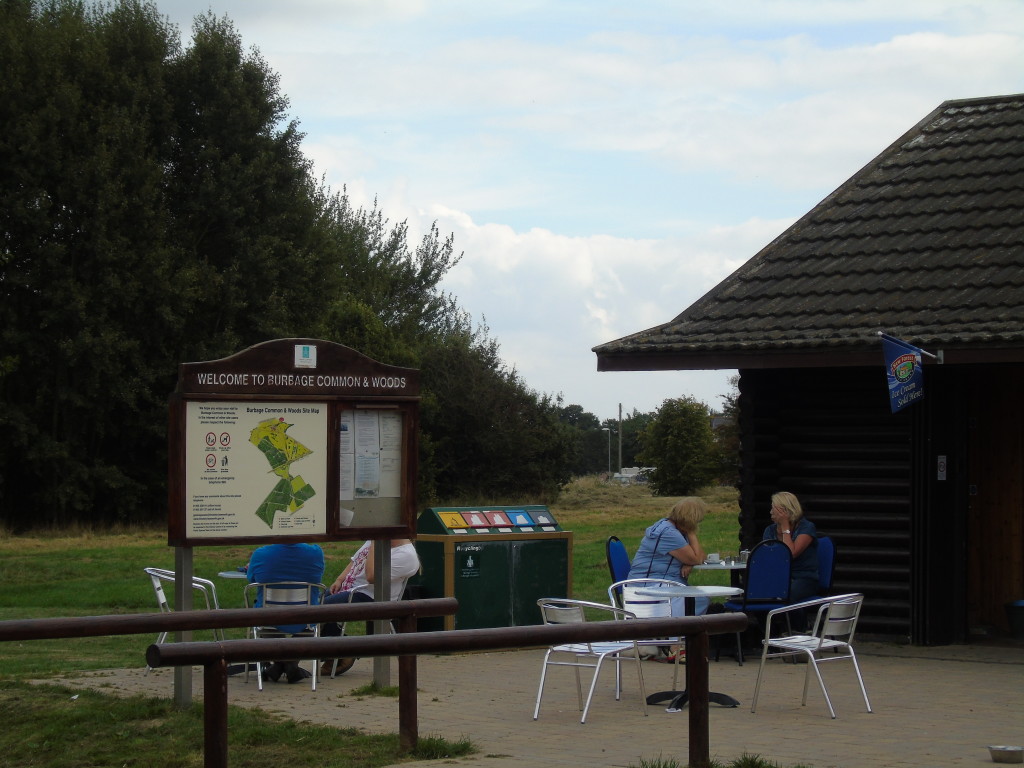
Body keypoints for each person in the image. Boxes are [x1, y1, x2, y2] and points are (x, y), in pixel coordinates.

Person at [320, 538, 420, 676]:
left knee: (321, 610)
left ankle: (343, 651)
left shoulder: (406, 555)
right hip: (351, 589)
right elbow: (355, 560)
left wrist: (375, 543)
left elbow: (372, 577)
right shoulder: (377, 540)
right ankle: (340, 651)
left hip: (372, 597)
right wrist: (340, 579)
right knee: (311, 604)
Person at [246, 542, 325, 684]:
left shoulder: (261, 554)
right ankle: (291, 664)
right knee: (312, 620)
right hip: (306, 618)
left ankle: (280, 664)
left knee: (262, 615)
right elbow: (318, 576)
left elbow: (252, 578)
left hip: (269, 619)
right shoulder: (315, 553)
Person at [627, 497, 710, 621]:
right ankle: (675, 633)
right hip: (649, 584)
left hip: (660, 580)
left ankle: (683, 633)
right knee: (697, 600)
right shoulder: (669, 533)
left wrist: (689, 562)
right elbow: (697, 559)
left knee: (701, 599)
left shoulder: (674, 529)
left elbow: (701, 555)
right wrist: (692, 534)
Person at [763, 490, 819, 604]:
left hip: (804, 578)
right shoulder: (770, 530)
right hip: (780, 576)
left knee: (789, 595)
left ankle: (798, 622)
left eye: (774, 508)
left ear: (785, 511)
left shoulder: (806, 527)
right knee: (759, 595)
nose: (770, 512)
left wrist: (785, 527)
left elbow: (790, 554)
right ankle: (771, 622)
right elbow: (767, 557)